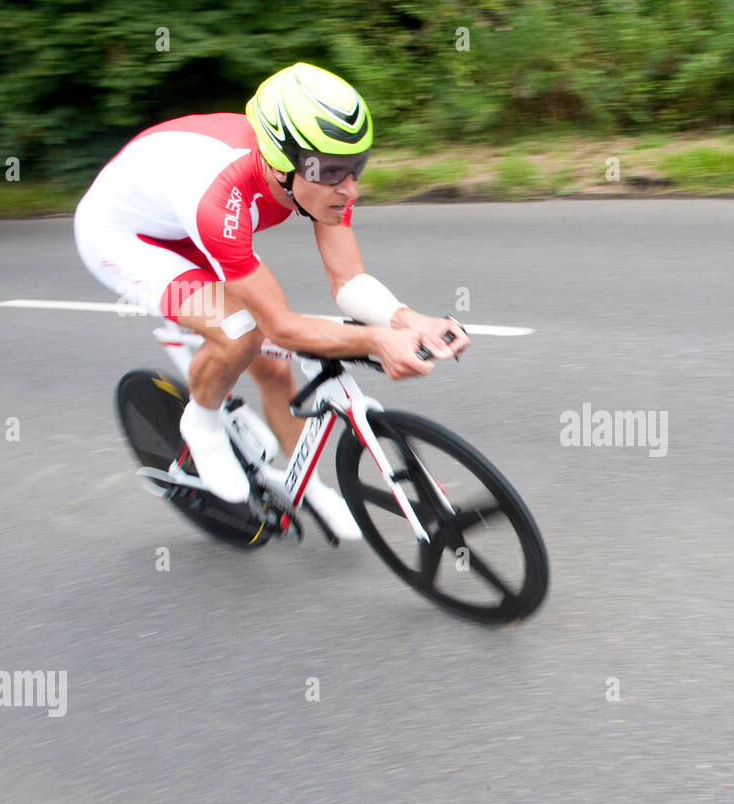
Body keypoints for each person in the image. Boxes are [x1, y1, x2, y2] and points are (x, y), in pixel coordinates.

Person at [74, 62, 468, 539]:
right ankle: (201, 424)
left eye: (355, 167)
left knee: (277, 370)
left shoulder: (318, 177)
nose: (349, 188)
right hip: (124, 236)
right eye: (331, 172)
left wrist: (408, 320)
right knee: (240, 332)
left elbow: (348, 280)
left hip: (185, 221)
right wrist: (378, 341)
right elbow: (279, 325)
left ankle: (314, 491)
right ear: (280, 162)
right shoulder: (223, 197)